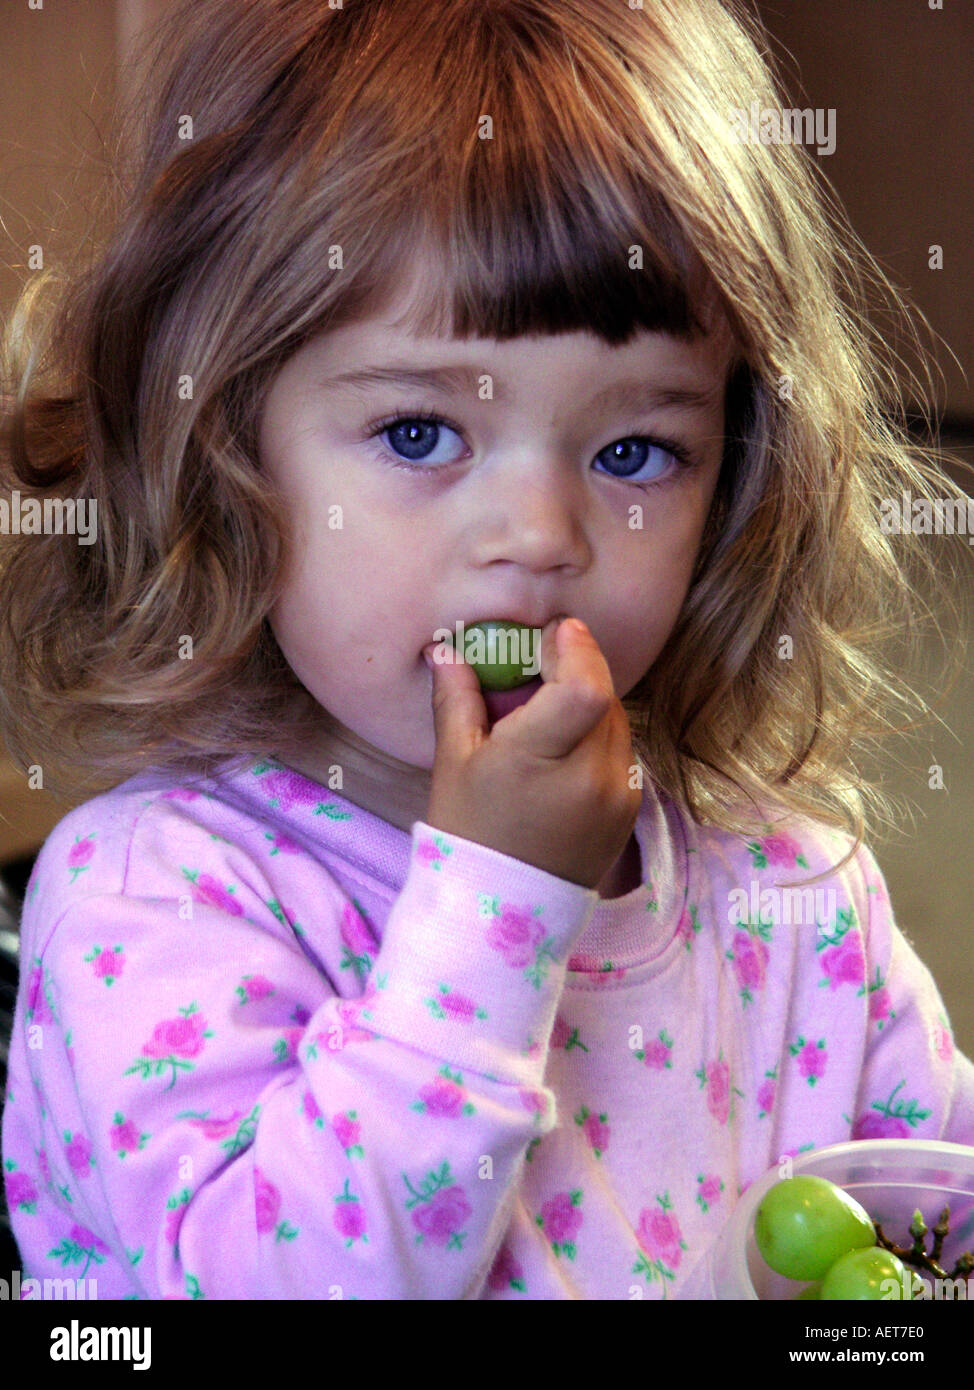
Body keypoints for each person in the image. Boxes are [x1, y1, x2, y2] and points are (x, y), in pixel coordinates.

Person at [1, 0, 972, 1301]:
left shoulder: (793, 896)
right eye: (417, 433)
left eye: (634, 451)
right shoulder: (154, 898)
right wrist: (498, 904)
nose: (536, 537)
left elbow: (927, 1214)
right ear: (224, 457)